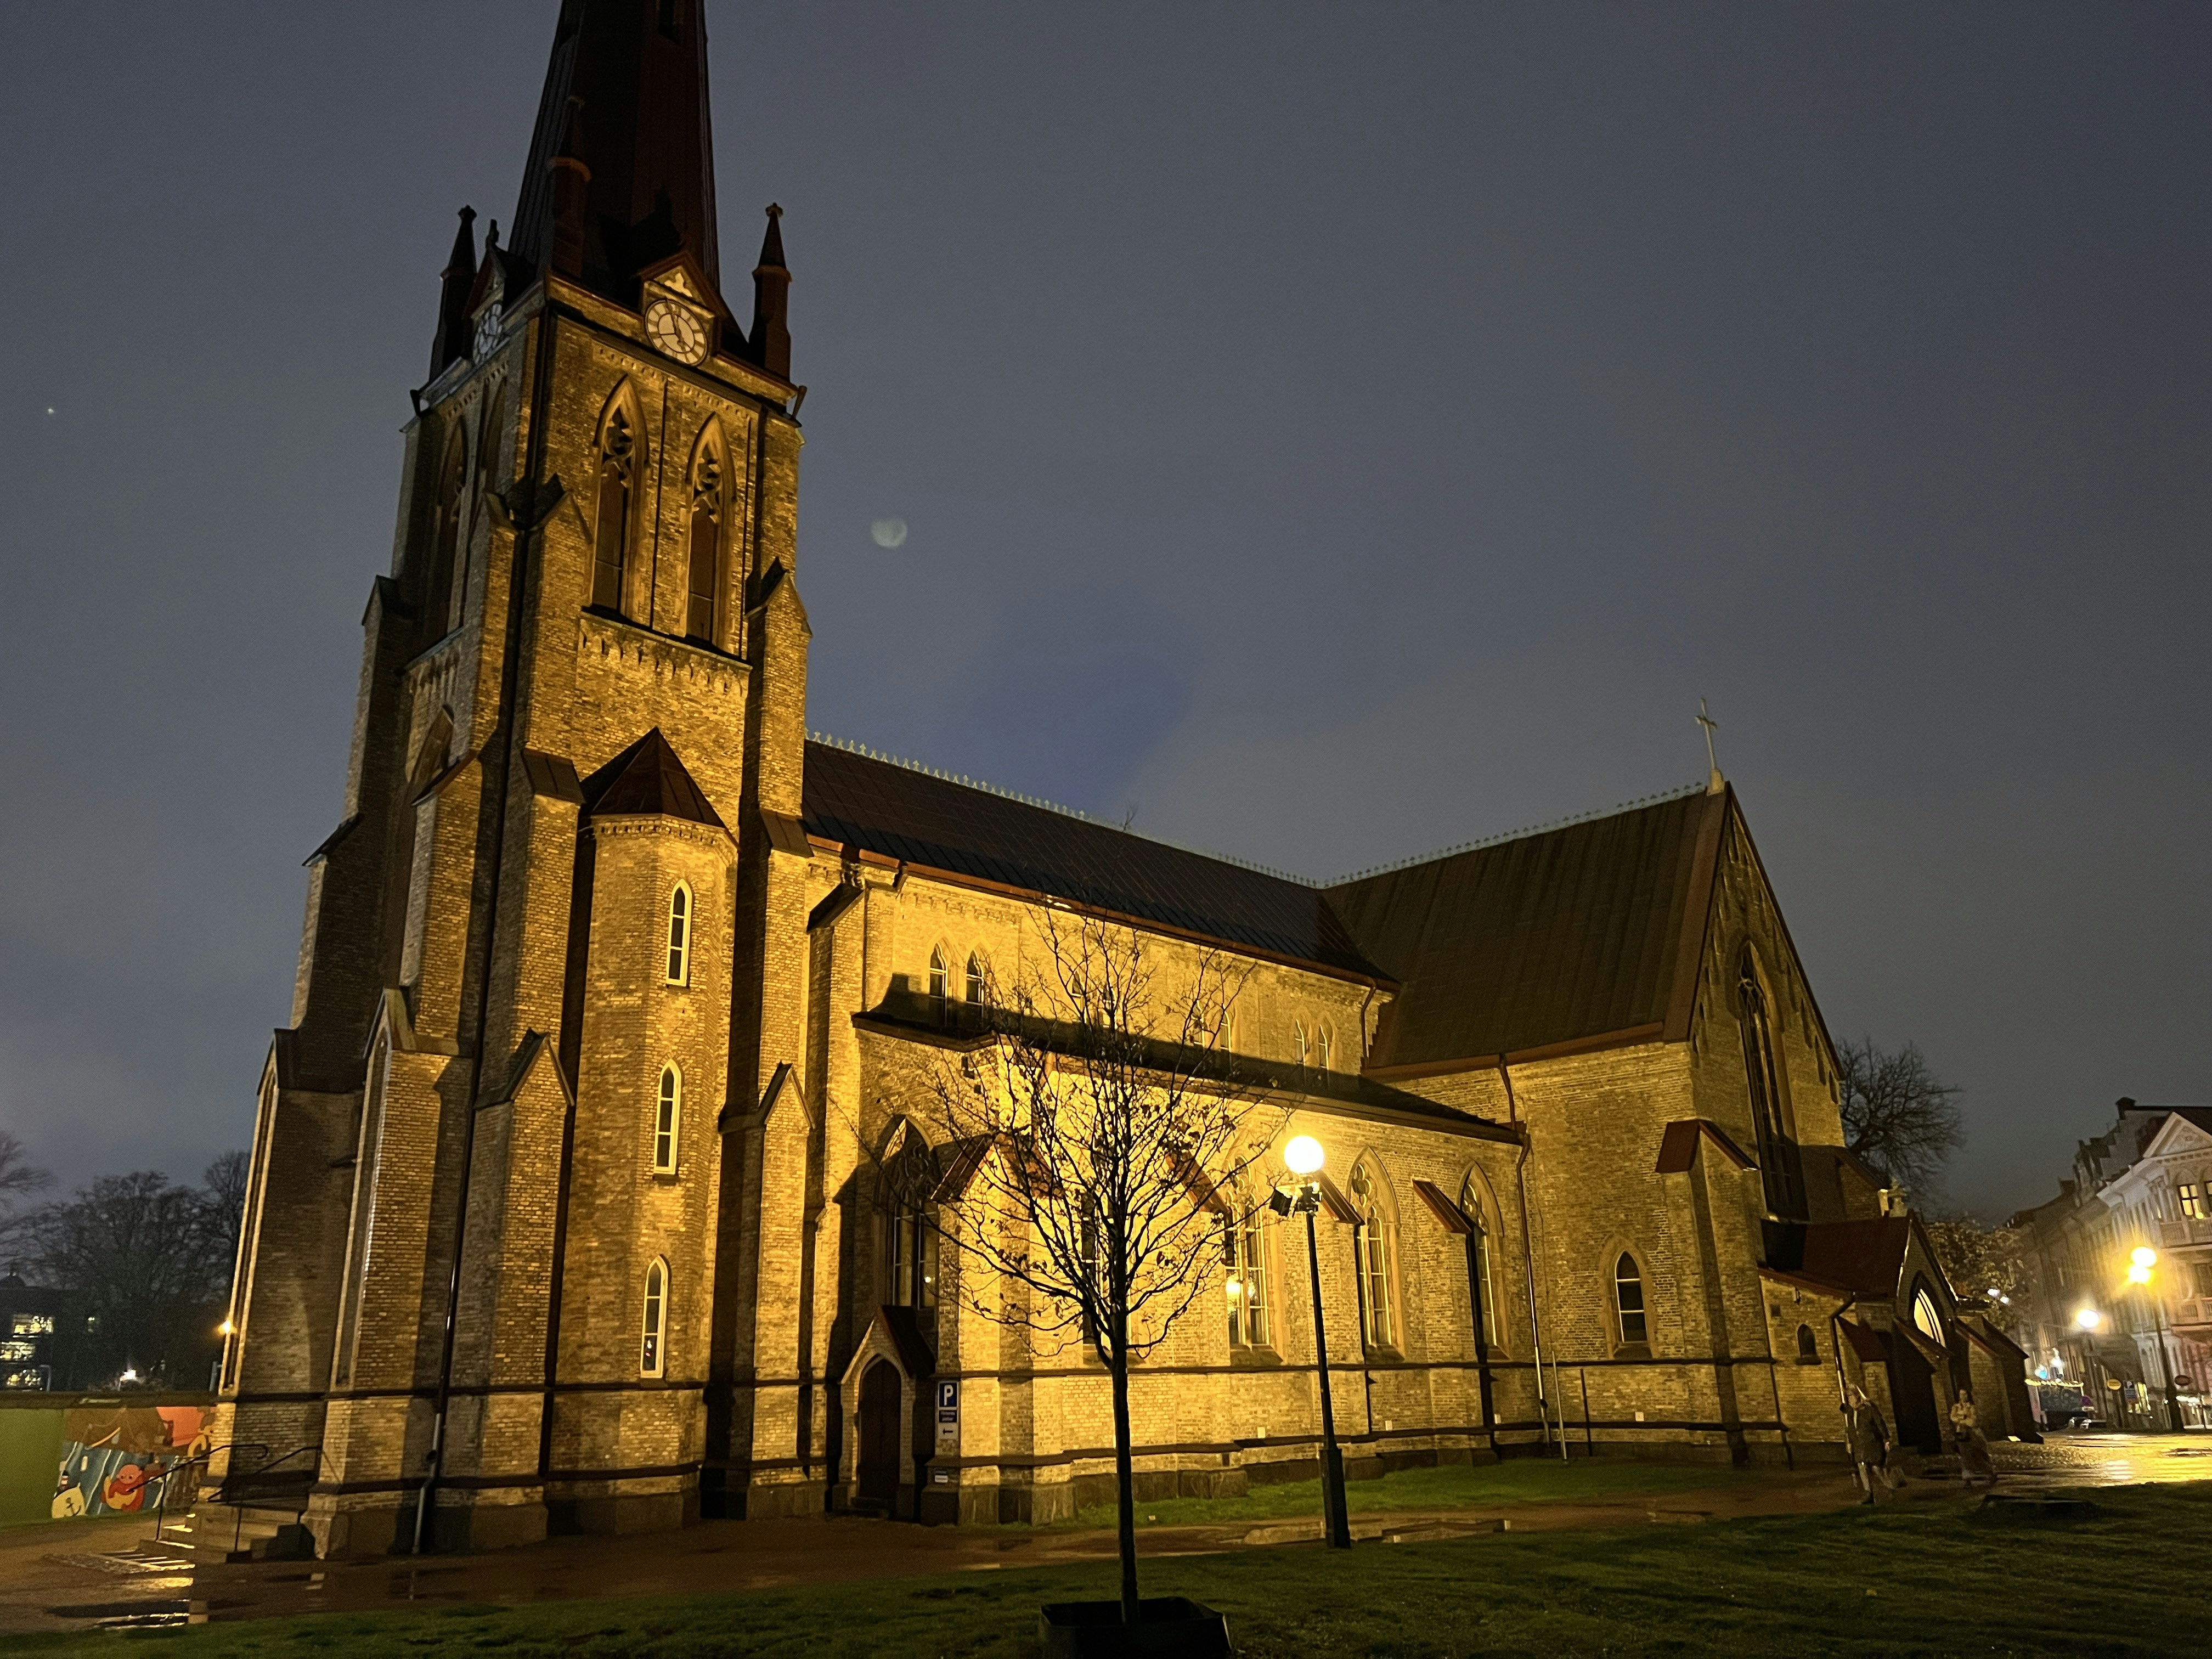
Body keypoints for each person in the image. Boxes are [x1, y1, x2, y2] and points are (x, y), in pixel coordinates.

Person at [1844, 1384, 1900, 1503]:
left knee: (1876, 1468)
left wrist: (1886, 1439)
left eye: (1851, 1396)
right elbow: (1850, 1428)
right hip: (1859, 1445)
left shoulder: (1869, 1409)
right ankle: (1868, 1493)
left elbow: (1880, 1423)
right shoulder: (1850, 1412)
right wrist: (1849, 1442)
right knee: (1862, 1467)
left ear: (1857, 1396)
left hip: (1872, 1443)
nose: (1849, 1399)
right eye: (1848, 1396)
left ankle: (1890, 1487)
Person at [1950, 1389, 1994, 1487]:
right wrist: (1963, 1420)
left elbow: (1973, 1422)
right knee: (1965, 1457)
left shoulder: (1972, 1408)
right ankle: (1967, 1478)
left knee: (1979, 1454)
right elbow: (1953, 1418)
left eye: (1965, 1395)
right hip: (1962, 1434)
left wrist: (1962, 1420)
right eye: (1961, 1395)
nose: (1963, 1397)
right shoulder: (1956, 1407)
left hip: (1974, 1435)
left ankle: (1989, 1473)